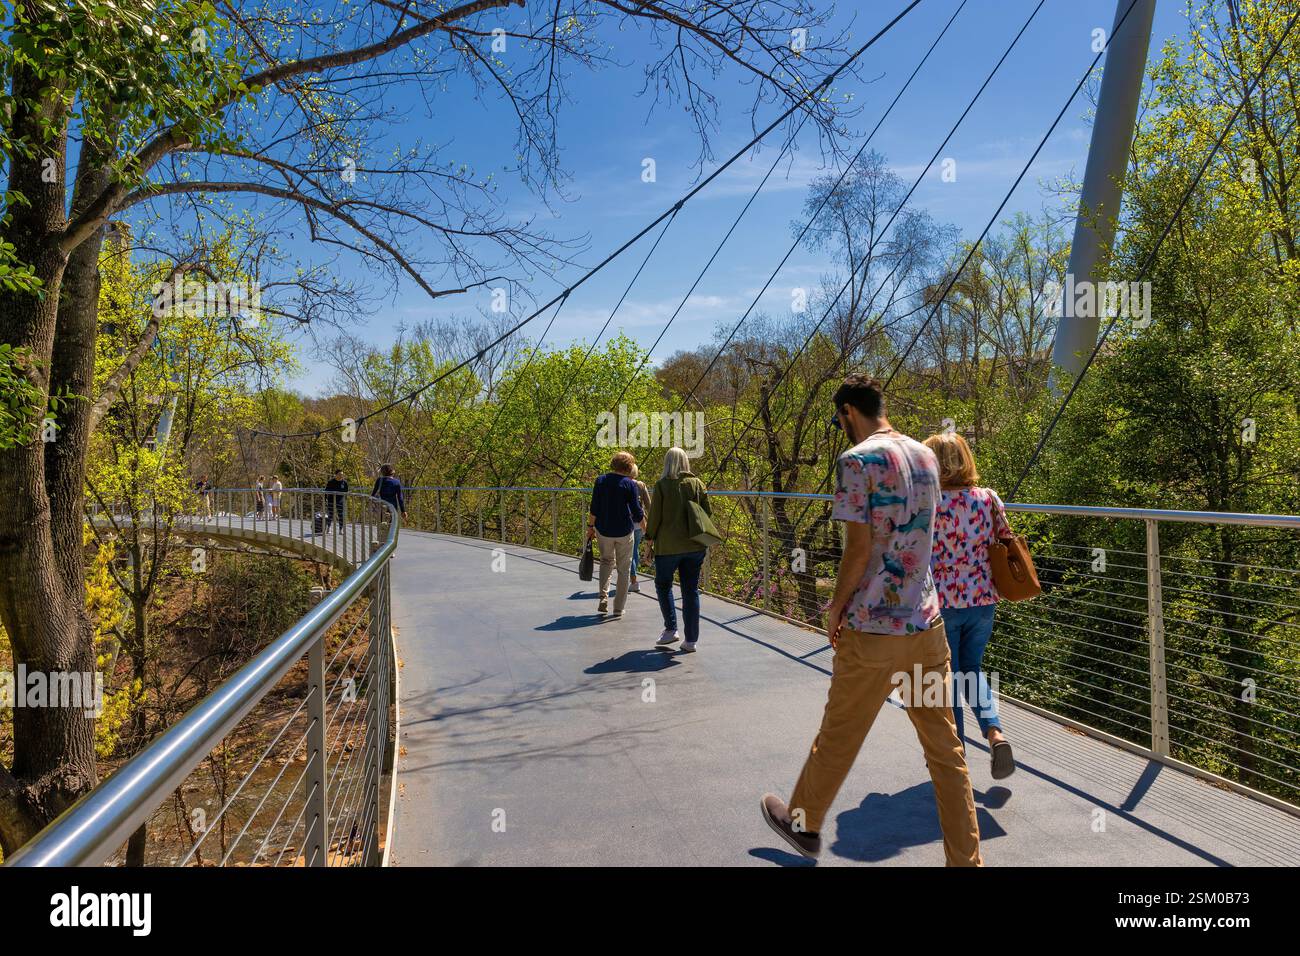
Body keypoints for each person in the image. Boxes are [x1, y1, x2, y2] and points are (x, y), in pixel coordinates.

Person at [760, 374, 981, 866]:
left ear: (847, 413)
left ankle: (804, 824)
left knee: (840, 735)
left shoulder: (856, 462)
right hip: (926, 625)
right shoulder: (926, 456)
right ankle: (966, 863)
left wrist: (836, 607)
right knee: (946, 751)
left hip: (873, 630)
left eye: (840, 420)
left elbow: (858, 550)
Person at [923, 431, 1015, 780]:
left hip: (941, 604)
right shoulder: (989, 499)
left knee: (945, 681)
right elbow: (1005, 541)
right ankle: (995, 733)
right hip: (982, 600)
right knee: (972, 670)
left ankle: (954, 756)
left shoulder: (926, 503)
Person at [645, 447, 709, 654]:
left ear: (667, 463)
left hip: (668, 547)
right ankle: (691, 640)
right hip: (694, 545)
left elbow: (654, 518)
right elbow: (707, 514)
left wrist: (649, 542)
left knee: (663, 585)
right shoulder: (697, 484)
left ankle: (671, 629)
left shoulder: (662, 486)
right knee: (690, 591)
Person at [586, 451, 643, 618]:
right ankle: (618, 608)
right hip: (624, 531)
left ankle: (603, 597)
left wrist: (590, 527)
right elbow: (636, 512)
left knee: (606, 562)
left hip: (603, 529)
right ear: (628, 467)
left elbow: (594, 507)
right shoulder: (629, 484)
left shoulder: (600, 481)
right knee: (624, 569)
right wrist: (646, 528)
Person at [628, 463, 652, 593]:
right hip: (638, 524)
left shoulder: (621, 483)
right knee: (634, 551)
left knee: (624, 553)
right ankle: (633, 580)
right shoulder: (640, 485)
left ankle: (630, 578)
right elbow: (649, 505)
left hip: (622, 524)